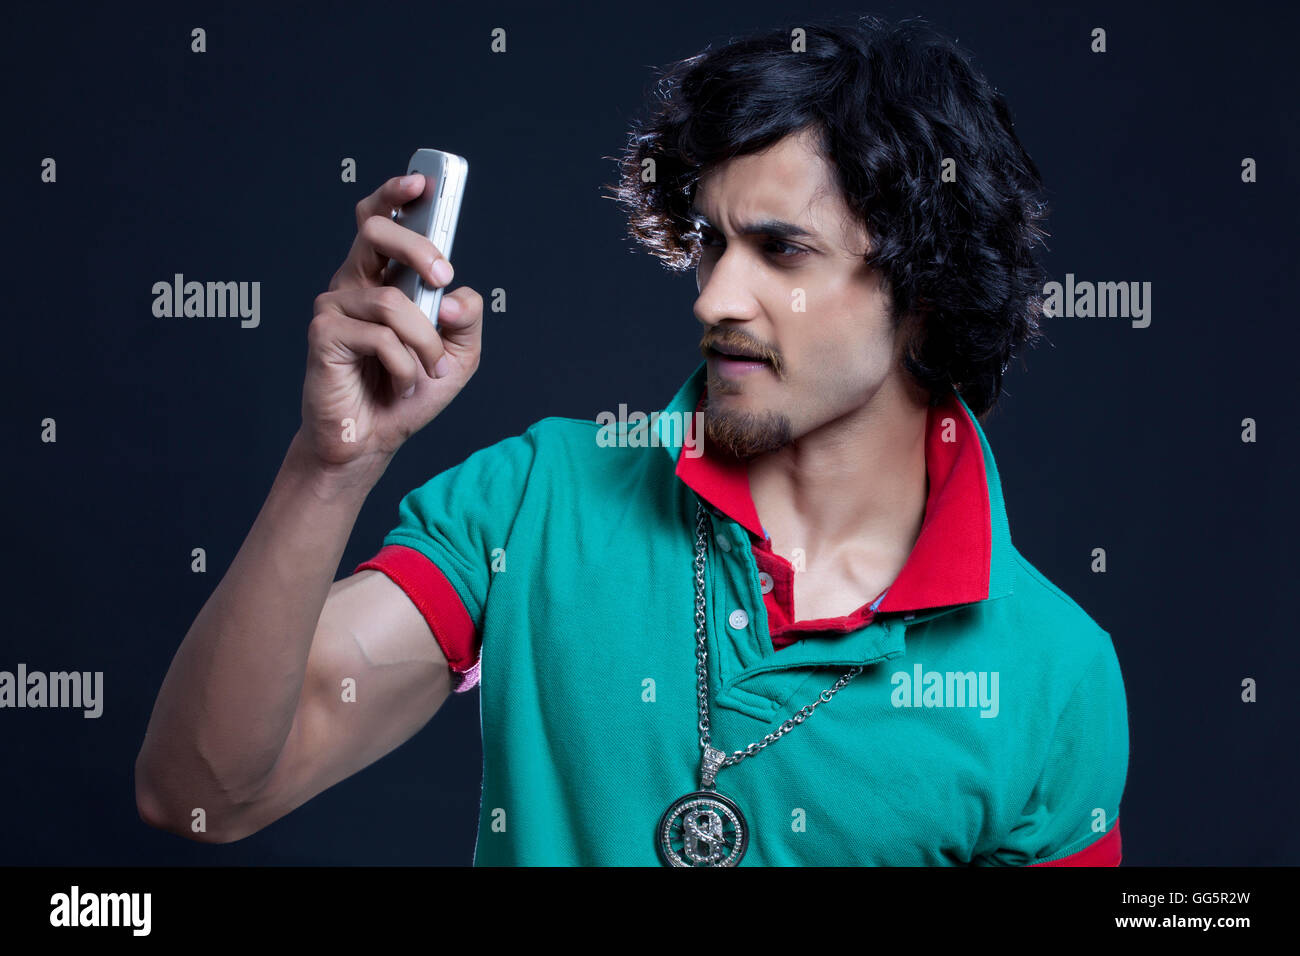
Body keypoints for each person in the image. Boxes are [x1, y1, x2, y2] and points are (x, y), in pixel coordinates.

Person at [135, 15, 1128, 866]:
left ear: (923, 291)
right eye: (709, 242)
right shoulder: (537, 499)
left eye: (779, 248)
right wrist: (329, 465)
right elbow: (205, 791)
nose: (713, 295)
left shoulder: (1055, 673)